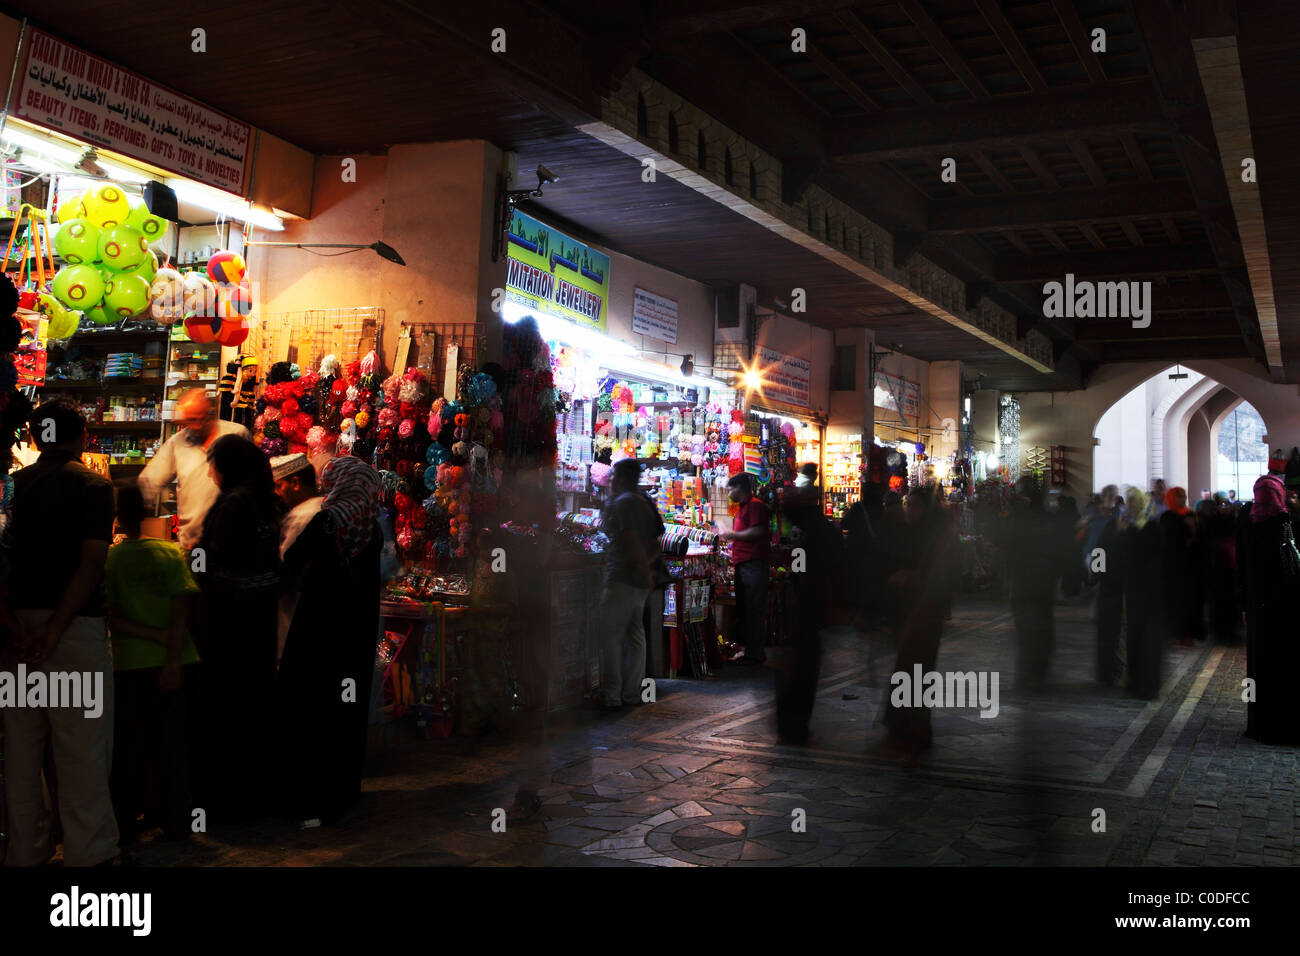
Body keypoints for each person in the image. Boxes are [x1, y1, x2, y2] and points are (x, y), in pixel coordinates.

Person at [3, 400, 120, 866]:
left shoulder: (13, 486)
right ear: (83, 436)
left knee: (22, 753)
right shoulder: (93, 487)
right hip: (75, 633)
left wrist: (15, 625)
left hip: (17, 638)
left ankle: (24, 853)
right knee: (81, 751)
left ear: (34, 439)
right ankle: (87, 855)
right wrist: (55, 629)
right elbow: (91, 564)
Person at [277, 456, 383, 826]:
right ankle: (343, 790)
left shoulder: (327, 522)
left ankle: (309, 795)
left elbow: (290, 563)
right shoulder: (373, 528)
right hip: (356, 633)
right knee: (346, 710)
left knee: (311, 707)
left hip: (319, 629)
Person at [192, 434, 281, 820]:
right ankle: (253, 794)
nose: (210, 472)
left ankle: (224, 798)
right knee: (253, 702)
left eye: (213, 465)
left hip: (227, 620)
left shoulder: (234, 504)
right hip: (259, 618)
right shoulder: (267, 501)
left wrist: (191, 564)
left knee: (224, 706)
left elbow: (211, 561)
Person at [105, 482, 200, 843]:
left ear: (116, 516)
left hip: (128, 665)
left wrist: (150, 638)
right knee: (172, 747)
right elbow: (182, 611)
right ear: (147, 513)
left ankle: (125, 825)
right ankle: (176, 822)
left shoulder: (111, 560)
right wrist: (171, 654)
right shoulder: (169, 553)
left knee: (127, 749)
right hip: (175, 662)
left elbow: (110, 616)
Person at [881, 485, 952, 760]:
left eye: (916, 506)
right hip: (906, 612)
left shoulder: (939, 538)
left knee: (918, 672)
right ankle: (903, 726)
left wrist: (916, 579)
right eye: (908, 504)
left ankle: (914, 729)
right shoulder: (907, 534)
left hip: (926, 615)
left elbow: (944, 576)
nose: (910, 510)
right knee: (907, 670)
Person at [138, 389, 250, 551]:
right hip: (194, 544)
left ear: (210, 414)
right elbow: (148, 482)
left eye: (201, 419)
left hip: (234, 543)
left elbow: (254, 482)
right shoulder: (176, 443)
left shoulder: (237, 434)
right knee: (198, 573)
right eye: (190, 421)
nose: (196, 426)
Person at [590, 459, 661, 709]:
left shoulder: (622, 504)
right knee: (635, 635)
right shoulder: (644, 502)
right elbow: (655, 542)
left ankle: (612, 694)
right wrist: (647, 569)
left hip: (622, 577)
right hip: (639, 582)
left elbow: (631, 541)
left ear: (619, 478)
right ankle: (632, 693)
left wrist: (641, 568)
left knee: (609, 634)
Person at [1239, 474, 1300, 743]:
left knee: (1256, 670)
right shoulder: (1289, 522)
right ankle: (1284, 723)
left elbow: (1243, 569)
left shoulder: (1249, 523)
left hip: (1257, 609)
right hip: (1286, 608)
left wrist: (1243, 604)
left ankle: (1256, 721)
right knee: (1285, 667)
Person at [777, 488, 840, 745]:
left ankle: (793, 726)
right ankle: (795, 725)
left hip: (806, 610)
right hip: (813, 611)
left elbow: (801, 571)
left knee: (799, 670)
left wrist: (794, 584)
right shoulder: (822, 530)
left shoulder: (809, 535)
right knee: (803, 669)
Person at [1002, 477, 1059, 691]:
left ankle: (1036, 672)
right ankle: (1029, 672)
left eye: (1024, 492)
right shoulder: (1017, 518)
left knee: (1039, 628)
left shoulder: (1040, 519)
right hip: (1024, 582)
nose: (1021, 497)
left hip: (1038, 582)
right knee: (1026, 630)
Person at [271, 453, 324, 667]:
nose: (276, 493)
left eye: (278, 486)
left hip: (295, 614)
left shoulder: (302, 516)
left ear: (294, 483)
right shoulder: (323, 507)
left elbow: (287, 567)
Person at [719, 473, 771, 665]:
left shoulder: (755, 505)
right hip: (744, 564)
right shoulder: (742, 508)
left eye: (731, 489)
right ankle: (750, 651)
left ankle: (755, 654)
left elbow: (758, 530)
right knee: (745, 609)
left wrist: (732, 534)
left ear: (740, 488)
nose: (729, 493)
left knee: (753, 608)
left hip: (753, 563)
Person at [1121, 487, 1163, 699]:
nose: (1131, 506)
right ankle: (1135, 679)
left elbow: (1152, 556)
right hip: (1134, 589)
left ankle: (1147, 682)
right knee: (1135, 635)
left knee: (1147, 637)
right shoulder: (1130, 526)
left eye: (1134, 502)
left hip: (1149, 589)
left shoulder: (1149, 526)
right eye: (1129, 502)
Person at [1159, 486, 1201, 645]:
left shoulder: (1190, 514)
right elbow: (1170, 542)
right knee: (1175, 602)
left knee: (1189, 602)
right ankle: (1175, 634)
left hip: (1189, 567)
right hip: (1173, 567)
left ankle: (1187, 634)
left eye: (1183, 495)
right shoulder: (1168, 517)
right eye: (1179, 496)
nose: (1182, 499)